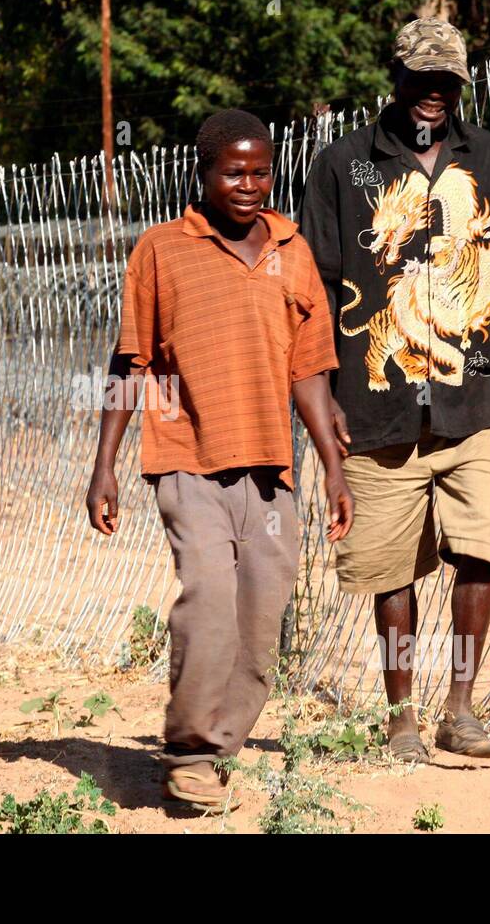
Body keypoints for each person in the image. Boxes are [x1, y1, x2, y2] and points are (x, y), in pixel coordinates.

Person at [299, 18, 490, 763]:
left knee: (481, 549)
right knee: (392, 565)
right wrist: (324, 401)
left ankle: (461, 707)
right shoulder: (344, 164)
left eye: (448, 84)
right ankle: (402, 717)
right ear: (397, 76)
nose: (435, 96)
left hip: (476, 398)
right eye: (423, 81)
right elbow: (315, 291)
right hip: (377, 400)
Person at [86, 108, 353, 810]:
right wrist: (104, 464)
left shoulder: (291, 250)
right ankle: (190, 753)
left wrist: (332, 465)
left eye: (260, 170)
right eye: (232, 171)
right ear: (202, 173)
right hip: (186, 456)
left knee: (262, 617)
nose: (248, 184)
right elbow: (130, 361)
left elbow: (310, 371)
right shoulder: (162, 250)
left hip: (269, 468)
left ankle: (217, 747)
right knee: (208, 599)